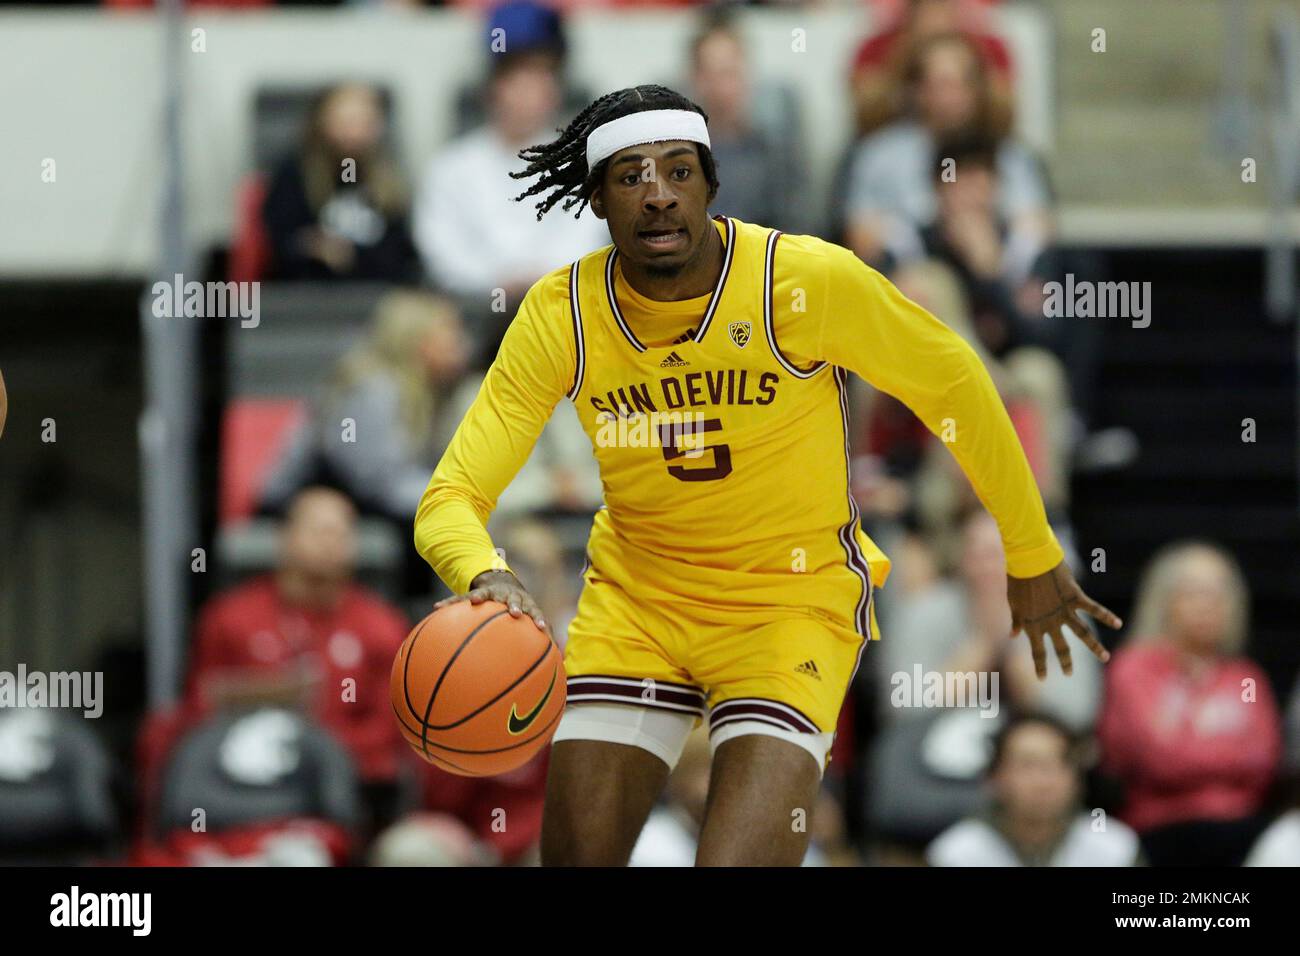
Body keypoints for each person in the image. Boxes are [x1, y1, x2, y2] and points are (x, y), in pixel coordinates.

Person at [414, 84, 1119, 866]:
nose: (656, 196)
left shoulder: (802, 280)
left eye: (678, 172)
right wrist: (485, 570)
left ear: (711, 185)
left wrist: (1030, 549)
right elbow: (450, 497)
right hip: (638, 604)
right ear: (596, 200)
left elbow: (955, 382)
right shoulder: (562, 315)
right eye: (630, 177)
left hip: (787, 604)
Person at [185, 486, 412, 826]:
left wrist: (316, 752)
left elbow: (392, 731)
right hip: (241, 784)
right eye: (319, 530)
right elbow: (198, 710)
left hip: (342, 796)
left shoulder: (383, 627)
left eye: (342, 531)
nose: (331, 541)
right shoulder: (229, 617)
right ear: (284, 537)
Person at [413, 1, 607, 365]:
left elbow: (589, 237)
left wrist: (539, 279)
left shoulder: (581, 162)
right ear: (493, 89)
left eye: (538, 80)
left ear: (554, 90)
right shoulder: (452, 167)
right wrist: (499, 282)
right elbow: (440, 249)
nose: (526, 93)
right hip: (474, 318)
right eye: (515, 81)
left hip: (566, 316)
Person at [1097, 541, 1283, 866]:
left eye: (1219, 593)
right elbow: (1156, 760)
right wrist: (1225, 755)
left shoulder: (1246, 677)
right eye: (1194, 592)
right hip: (1158, 829)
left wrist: (1189, 746)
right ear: (1162, 600)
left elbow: (1262, 761)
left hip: (1243, 828)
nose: (1207, 604)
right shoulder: (1134, 669)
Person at [844, 32, 1051, 271]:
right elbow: (859, 237)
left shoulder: (1010, 154)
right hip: (909, 279)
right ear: (917, 90)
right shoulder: (880, 154)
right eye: (941, 84)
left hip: (993, 271)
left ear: (978, 89)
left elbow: (1037, 230)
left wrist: (991, 253)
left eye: (962, 83)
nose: (951, 96)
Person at [927, 713, 1142, 866]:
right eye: (1028, 765)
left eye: (1057, 764)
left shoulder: (1115, 848)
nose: (1043, 781)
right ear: (993, 778)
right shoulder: (956, 854)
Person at [261, 83, 419, 282]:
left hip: (374, 291)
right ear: (322, 122)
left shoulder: (389, 179)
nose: (353, 132)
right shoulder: (295, 174)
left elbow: (400, 252)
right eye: (345, 122)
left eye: (363, 122)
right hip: (308, 294)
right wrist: (319, 249)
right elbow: (281, 243)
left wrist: (352, 255)